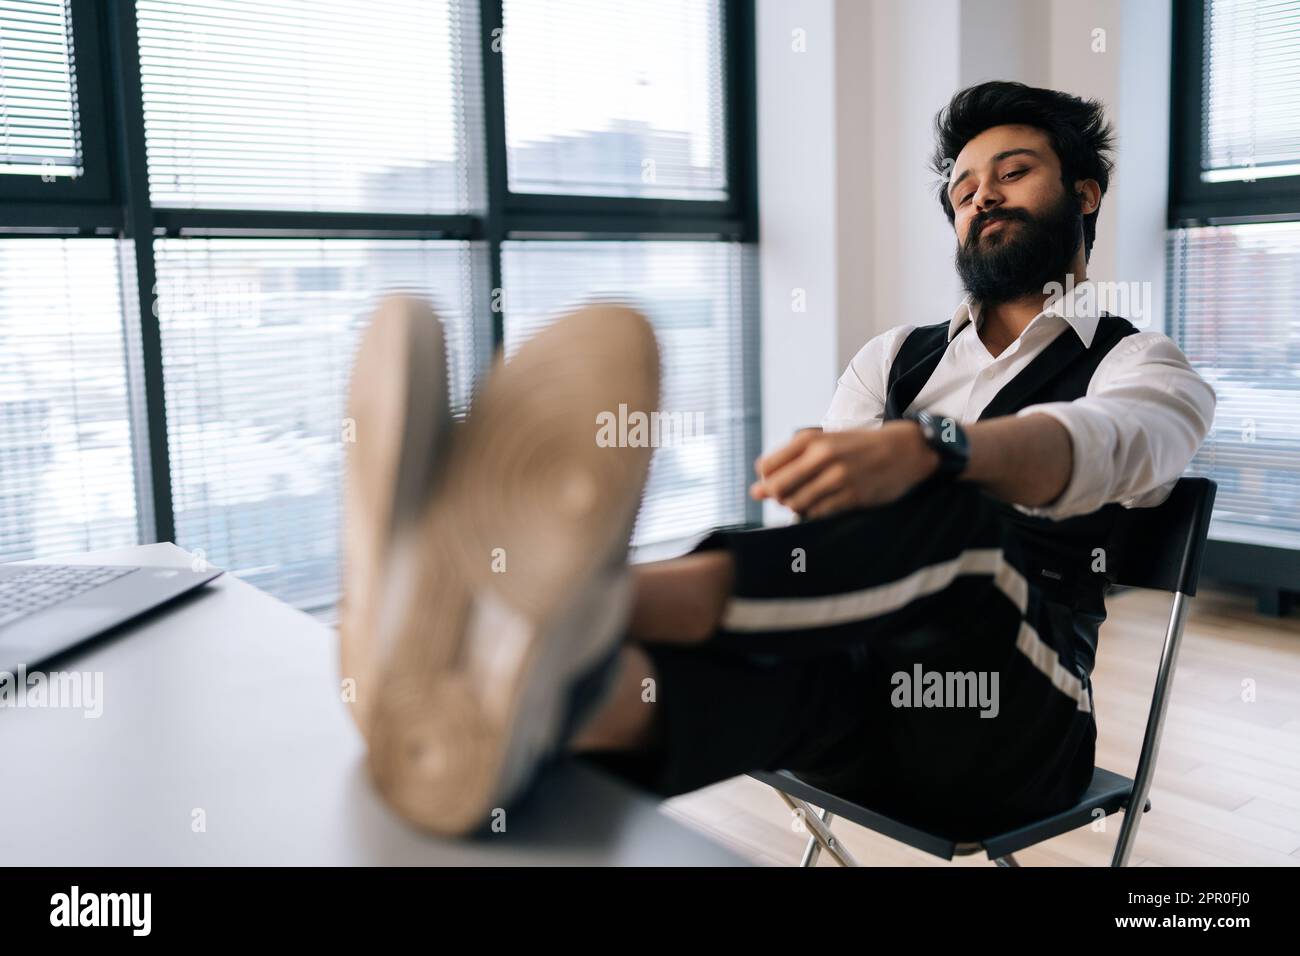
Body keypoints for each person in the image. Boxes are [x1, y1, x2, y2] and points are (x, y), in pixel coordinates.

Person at [338, 80, 1217, 840]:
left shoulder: (1141, 364)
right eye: (961, 190)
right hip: (874, 714)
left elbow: (1118, 446)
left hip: (1017, 726)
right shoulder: (894, 358)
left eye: (1012, 172)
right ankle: (490, 721)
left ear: (1088, 193)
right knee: (799, 684)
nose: (980, 198)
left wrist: (934, 447)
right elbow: (830, 548)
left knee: (961, 514)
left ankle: (558, 603)